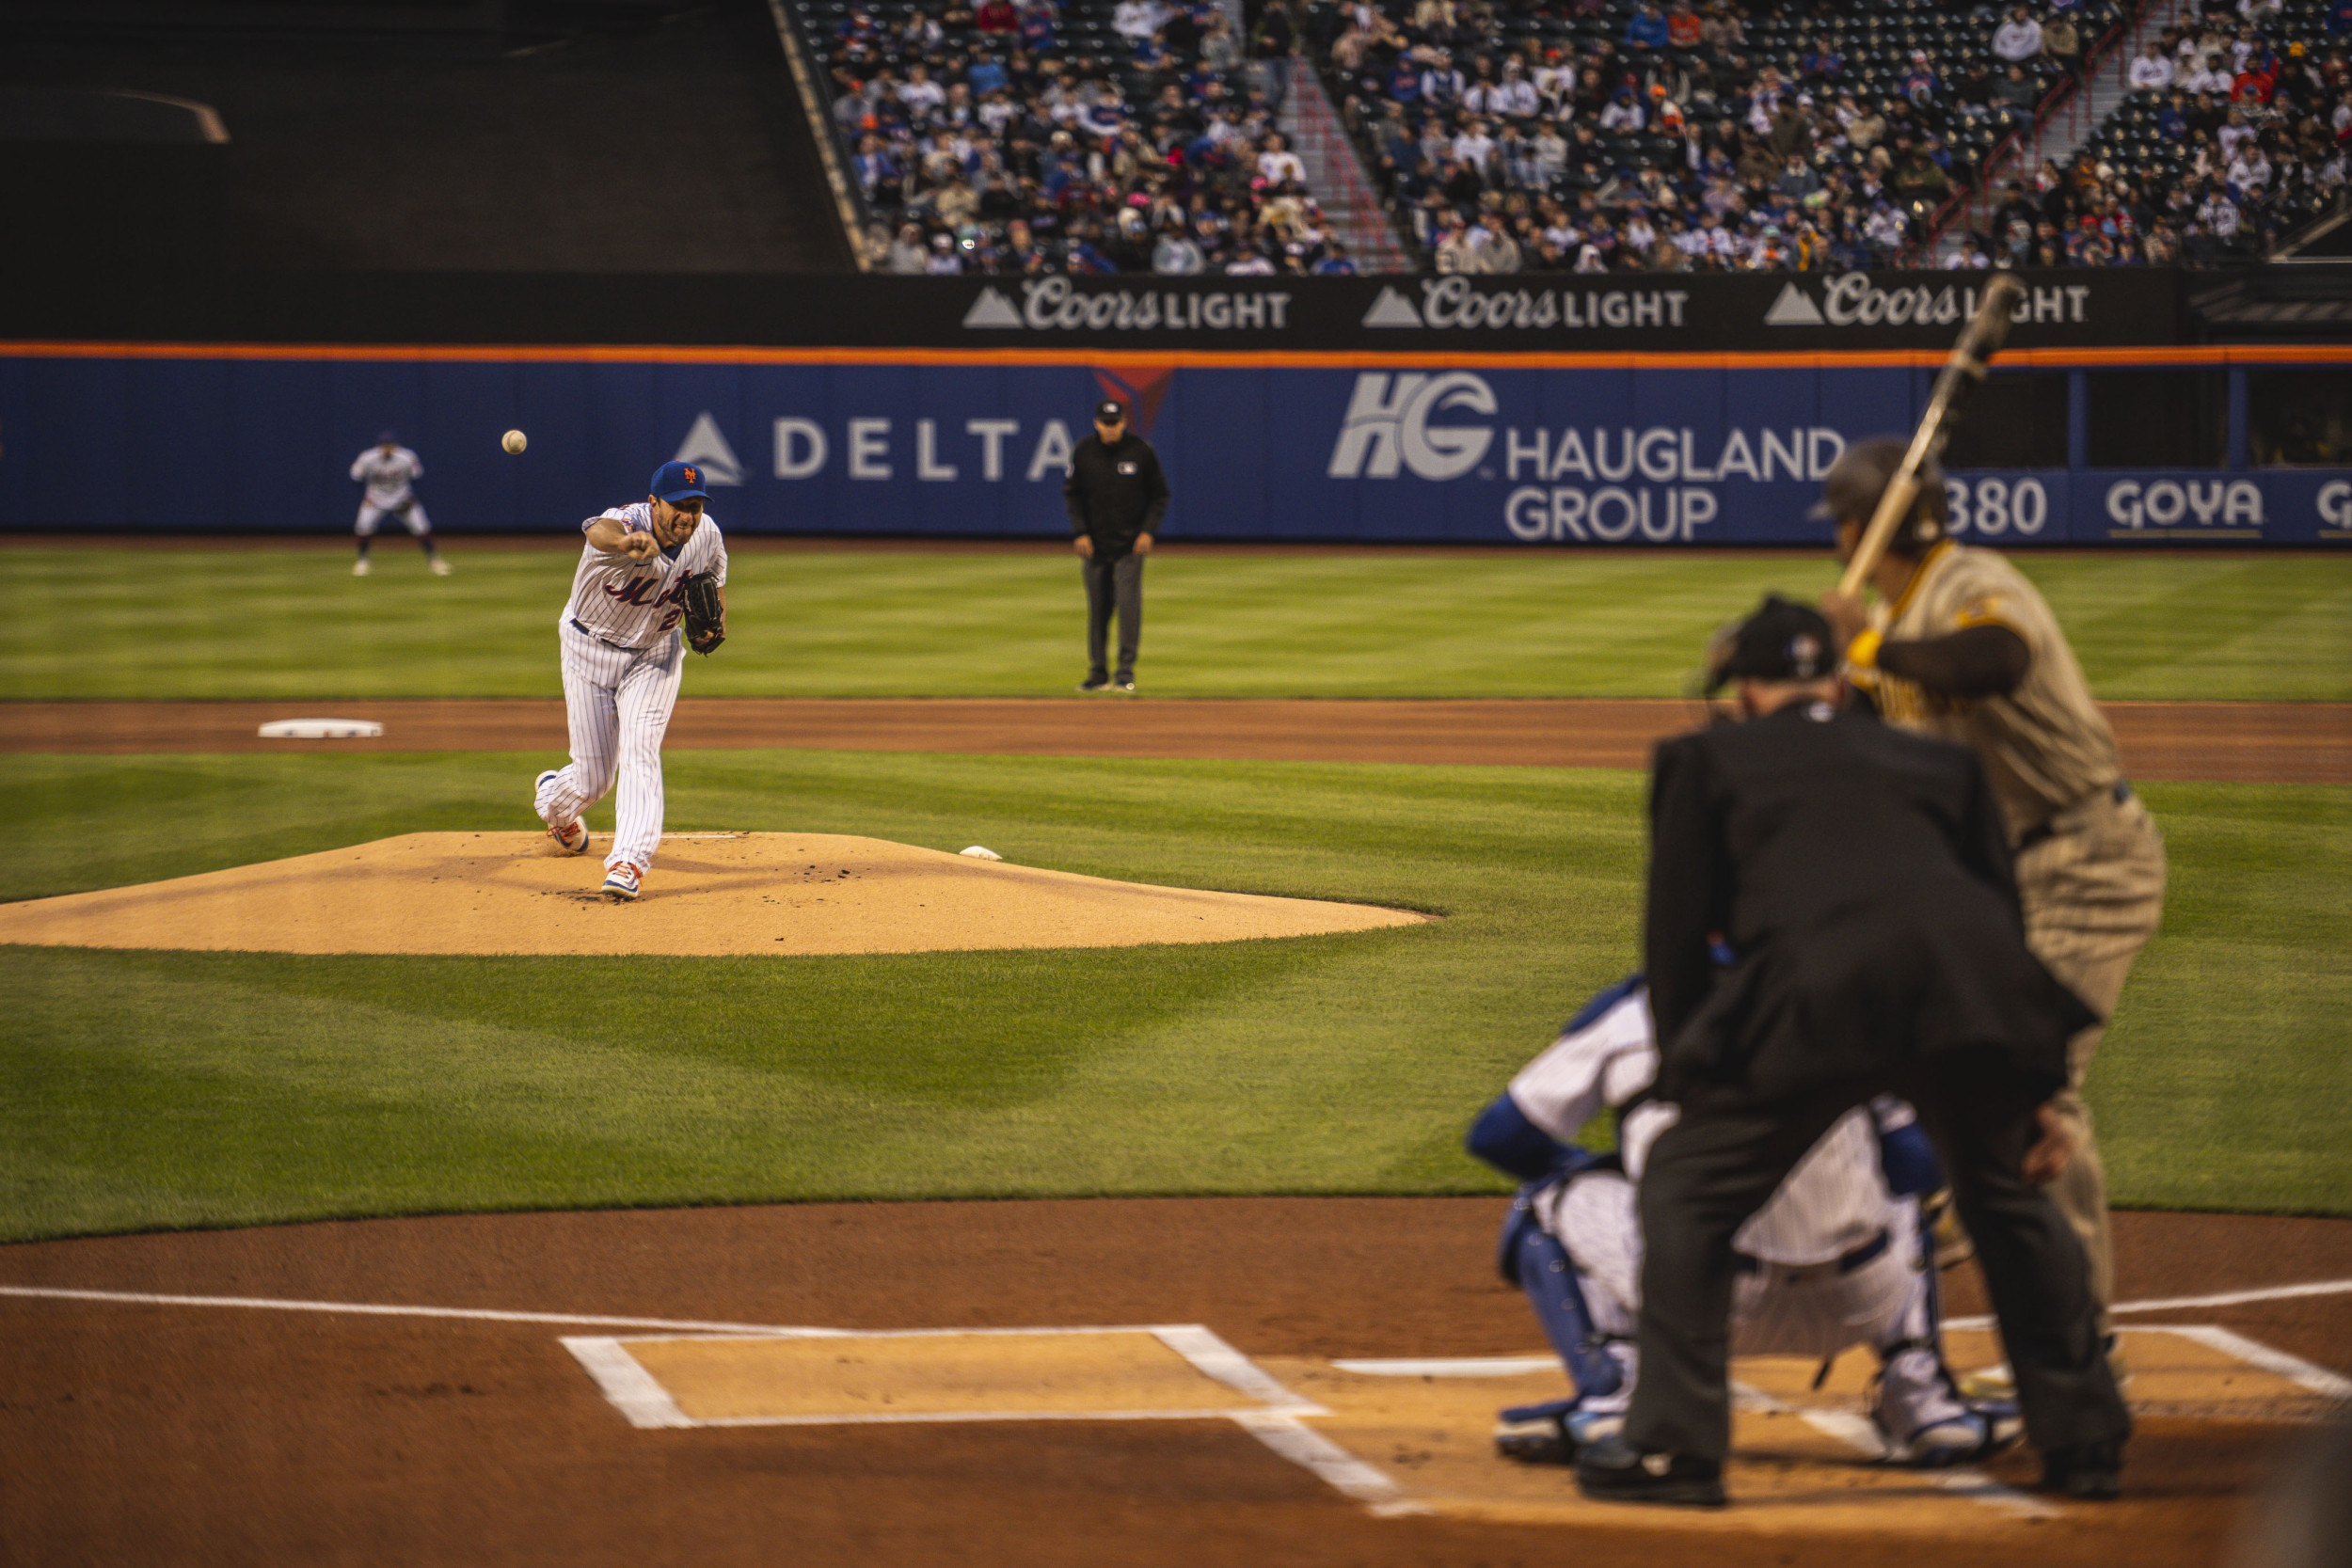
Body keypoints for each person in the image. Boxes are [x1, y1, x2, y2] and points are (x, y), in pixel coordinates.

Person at [1573, 594, 2128, 1509]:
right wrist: (2033, 1087)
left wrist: (1687, 1075)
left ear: (1744, 688)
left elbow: (1676, 938)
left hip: (1816, 994)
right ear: (1835, 679)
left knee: (1684, 1183)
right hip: (1963, 991)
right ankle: (2087, 1443)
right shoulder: (1938, 760)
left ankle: (1676, 1448)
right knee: (2006, 1195)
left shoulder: (1702, 759)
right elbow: (1997, 920)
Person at [1819, 438, 2167, 1355]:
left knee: (2035, 1092)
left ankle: (2076, 1345)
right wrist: (1825, 680)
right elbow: (1863, 728)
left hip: (2089, 865)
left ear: (1861, 529)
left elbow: (1992, 660)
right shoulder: (1899, 623)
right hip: (2002, 883)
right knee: (1953, 1077)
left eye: (1842, 526)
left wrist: (1862, 640)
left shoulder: (1970, 580)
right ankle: (1940, 1233)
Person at [1467, 976, 2019, 1469]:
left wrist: (1616, 1172)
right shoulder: (1854, 1002)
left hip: (1696, 1305)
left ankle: (1618, 1400)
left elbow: (1499, 1136)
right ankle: (1924, 1403)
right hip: (1861, 1299)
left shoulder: (1636, 1008)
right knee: (1899, 1189)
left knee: (1546, 1200)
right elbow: (1918, 1167)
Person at [532, 460, 729, 903]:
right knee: (592, 780)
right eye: (678, 505)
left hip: (655, 656)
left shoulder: (708, 534)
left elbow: (714, 583)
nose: (688, 515)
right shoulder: (626, 523)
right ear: (654, 502)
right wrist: (625, 542)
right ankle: (553, 801)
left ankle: (629, 862)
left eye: (695, 506)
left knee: (640, 748)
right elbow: (596, 530)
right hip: (588, 648)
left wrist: (716, 621)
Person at [1063, 398, 1168, 693]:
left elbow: (1160, 495)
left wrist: (1148, 531)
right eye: (1106, 423)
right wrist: (1080, 532)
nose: (1111, 429)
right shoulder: (1084, 451)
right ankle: (1098, 673)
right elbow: (1072, 495)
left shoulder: (1141, 452)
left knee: (1128, 608)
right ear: (1097, 423)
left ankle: (1125, 672)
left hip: (1129, 546)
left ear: (1124, 422)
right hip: (1094, 546)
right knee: (1098, 610)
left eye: (1115, 423)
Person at [348, 431, 449, 578]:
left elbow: (416, 477)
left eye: (390, 445)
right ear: (378, 446)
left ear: (395, 446)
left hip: (402, 500)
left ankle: (435, 561)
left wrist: (410, 497)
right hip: (375, 500)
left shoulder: (407, 457)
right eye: (384, 445)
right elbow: (356, 477)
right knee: (362, 526)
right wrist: (364, 497)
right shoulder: (367, 458)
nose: (387, 448)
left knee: (422, 527)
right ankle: (362, 561)